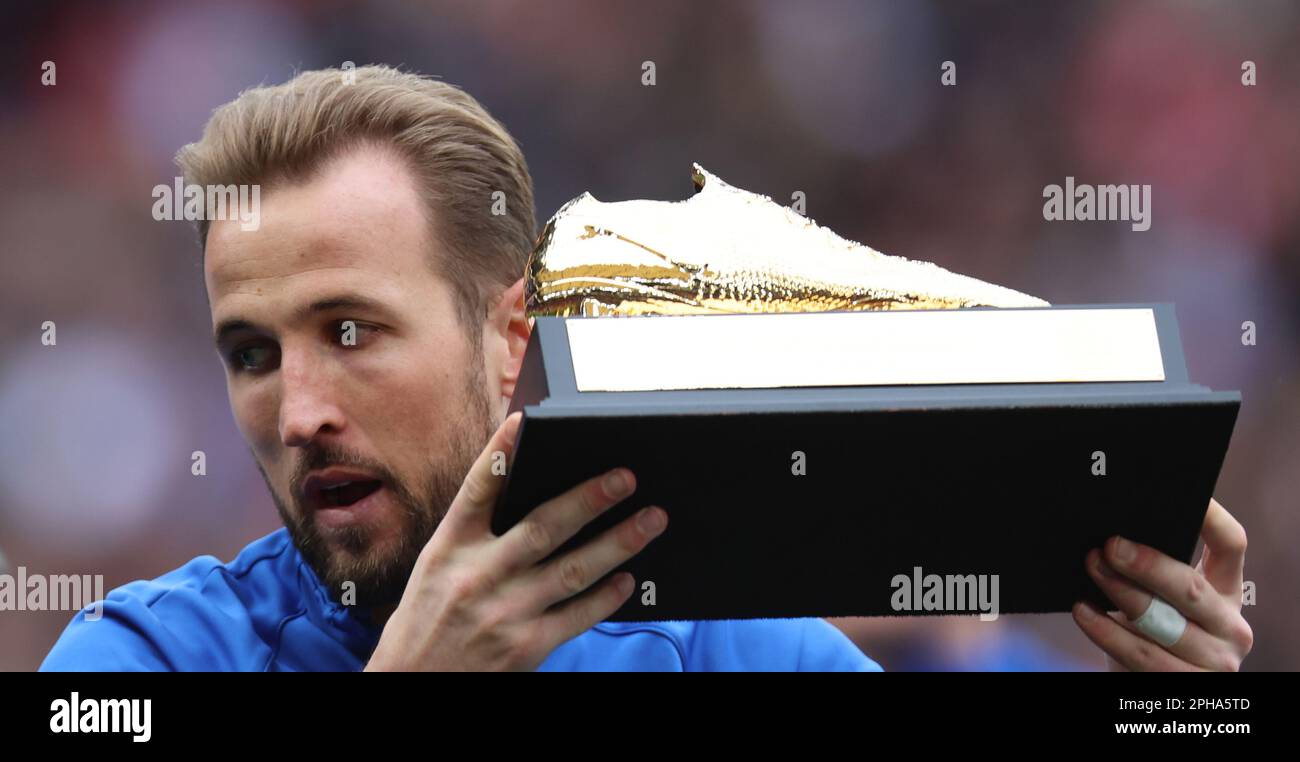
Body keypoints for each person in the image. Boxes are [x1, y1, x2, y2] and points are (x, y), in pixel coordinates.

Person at [40, 66, 1250, 672]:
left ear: (511, 336)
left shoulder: (722, 646)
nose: (297, 410)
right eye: (252, 353)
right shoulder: (139, 659)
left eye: (351, 330)